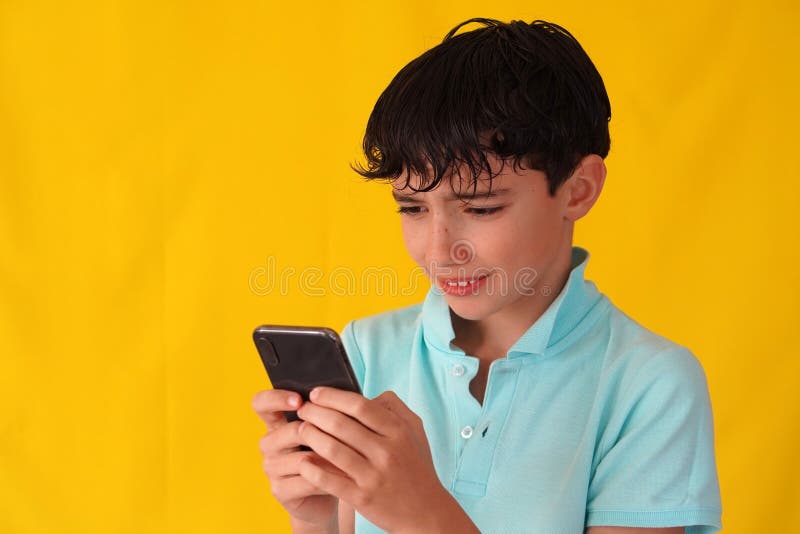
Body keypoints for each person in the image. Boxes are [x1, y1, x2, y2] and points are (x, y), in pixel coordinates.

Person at [252, 18, 722, 534]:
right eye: (412, 208)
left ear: (578, 189)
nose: (439, 250)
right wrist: (315, 519)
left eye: (480, 208)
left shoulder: (650, 385)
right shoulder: (368, 349)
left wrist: (424, 514)